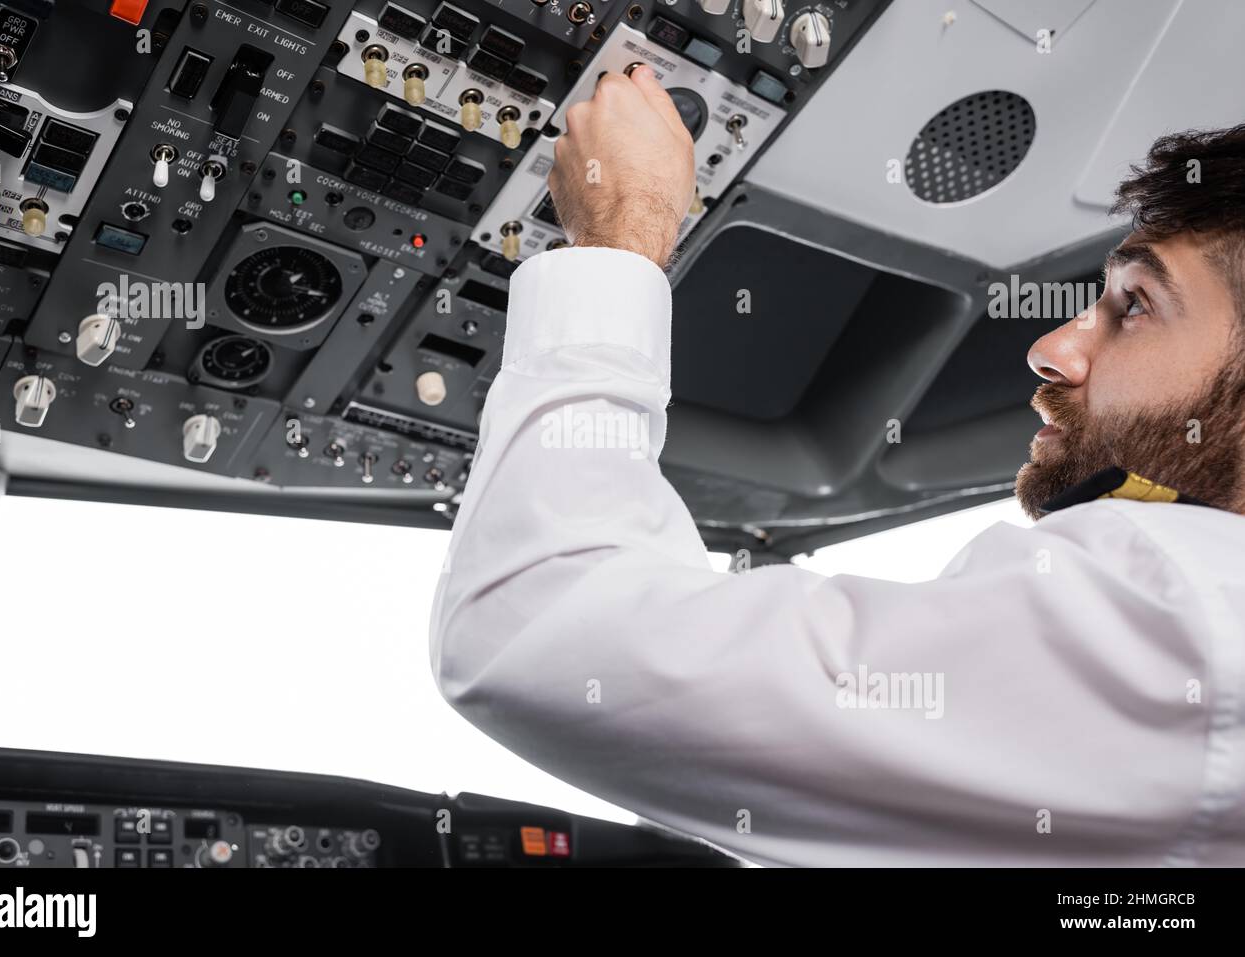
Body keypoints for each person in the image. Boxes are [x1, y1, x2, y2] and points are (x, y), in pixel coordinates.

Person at [428, 66, 1245, 866]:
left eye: (1135, 304)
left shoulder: (1188, 610)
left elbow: (536, 622)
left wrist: (618, 237)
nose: (1049, 348)